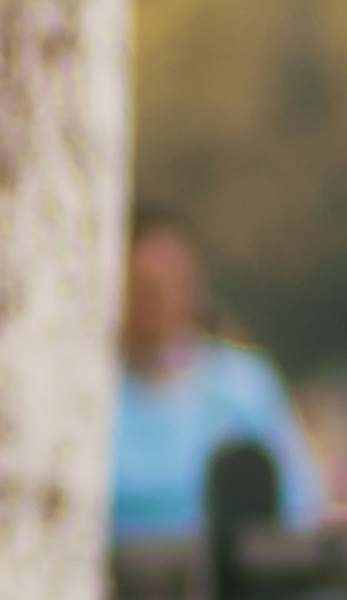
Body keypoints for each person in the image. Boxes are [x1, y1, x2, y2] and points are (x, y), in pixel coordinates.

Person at [108, 207, 323, 541]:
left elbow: (300, 505)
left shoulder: (244, 386)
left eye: (172, 284)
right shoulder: (95, 396)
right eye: (144, 287)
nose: (158, 302)